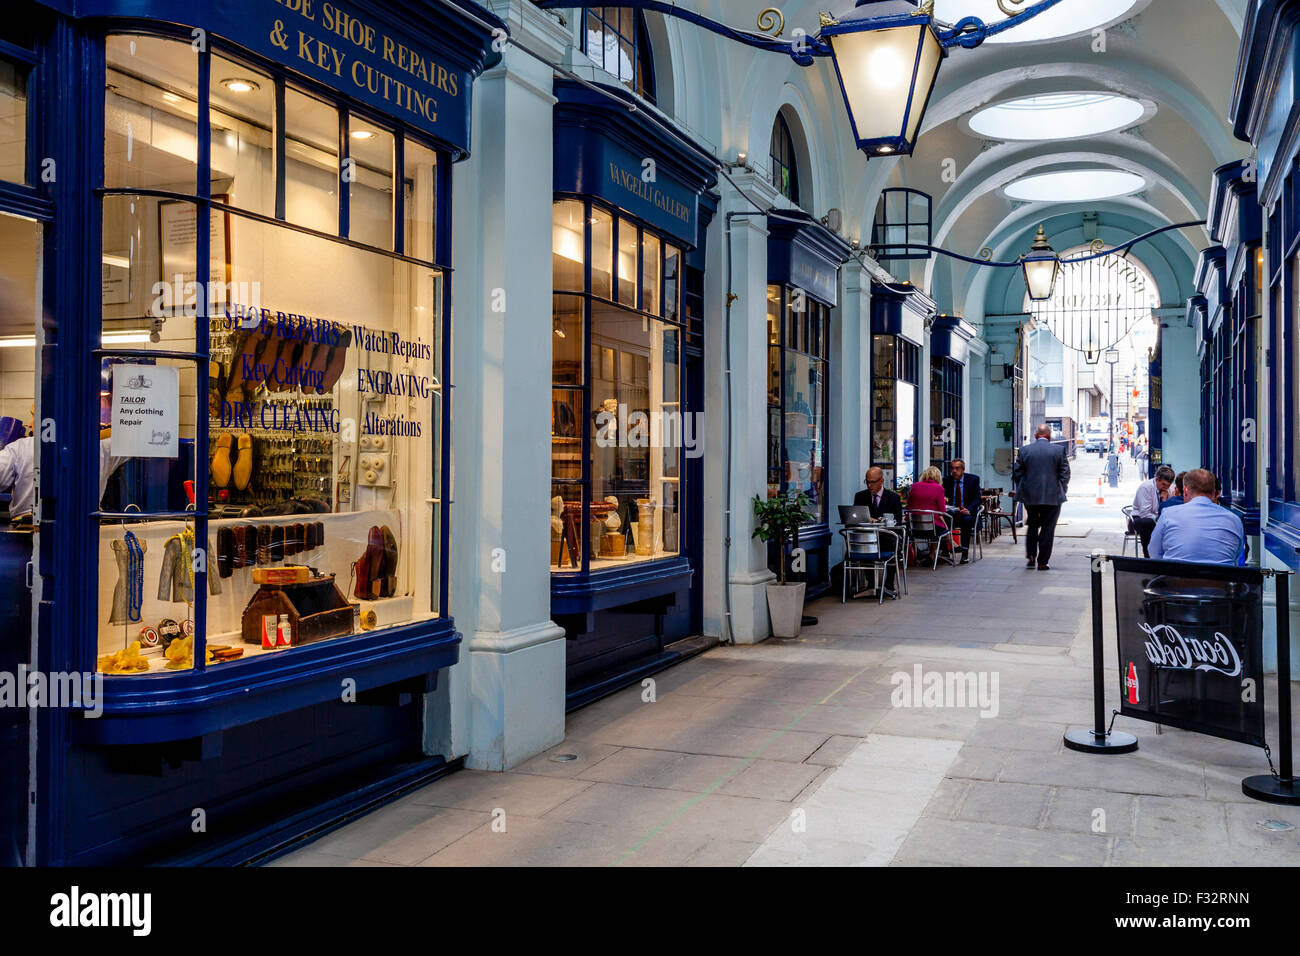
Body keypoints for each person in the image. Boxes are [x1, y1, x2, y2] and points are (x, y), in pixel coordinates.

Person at [1150, 469, 1245, 565]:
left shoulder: (1168, 514)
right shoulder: (1234, 520)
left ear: (1185, 490)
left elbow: (1154, 552)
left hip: (1177, 577)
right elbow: (1237, 556)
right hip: (1221, 578)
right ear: (1214, 493)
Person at [1012, 424, 1070, 570]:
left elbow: (1017, 473)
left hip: (1031, 497)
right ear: (1049, 436)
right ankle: (1043, 561)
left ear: (1036, 436)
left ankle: (1031, 556)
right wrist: (1061, 490)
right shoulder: (1058, 450)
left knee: (1032, 525)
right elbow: (1065, 474)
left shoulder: (1025, 450)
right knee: (1048, 529)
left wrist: (1024, 488)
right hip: (1053, 497)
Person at [942, 458, 981, 565]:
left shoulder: (973, 480)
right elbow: (941, 497)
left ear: (963, 470)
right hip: (952, 513)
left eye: (957, 468)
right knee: (940, 520)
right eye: (952, 468)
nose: (954, 471)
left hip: (967, 513)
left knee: (966, 521)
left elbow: (977, 499)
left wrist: (969, 509)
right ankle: (945, 552)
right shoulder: (946, 480)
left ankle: (964, 554)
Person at [1131, 465, 1174, 557]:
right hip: (1141, 517)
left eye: (1168, 485)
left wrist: (1165, 500)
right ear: (1156, 479)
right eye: (1163, 484)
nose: (1165, 488)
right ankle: (1148, 556)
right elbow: (1145, 512)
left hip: (1158, 516)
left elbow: (1170, 509)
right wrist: (1159, 519)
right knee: (1147, 524)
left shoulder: (1170, 488)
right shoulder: (1146, 487)